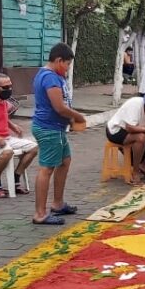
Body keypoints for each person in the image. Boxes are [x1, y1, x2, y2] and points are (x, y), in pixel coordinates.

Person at [31, 43, 88, 226]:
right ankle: (40, 213)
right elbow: (60, 107)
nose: (68, 68)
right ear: (58, 60)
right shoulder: (50, 78)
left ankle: (58, 203)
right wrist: (78, 116)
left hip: (56, 128)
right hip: (49, 129)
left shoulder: (52, 75)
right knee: (46, 169)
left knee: (65, 161)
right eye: (67, 64)